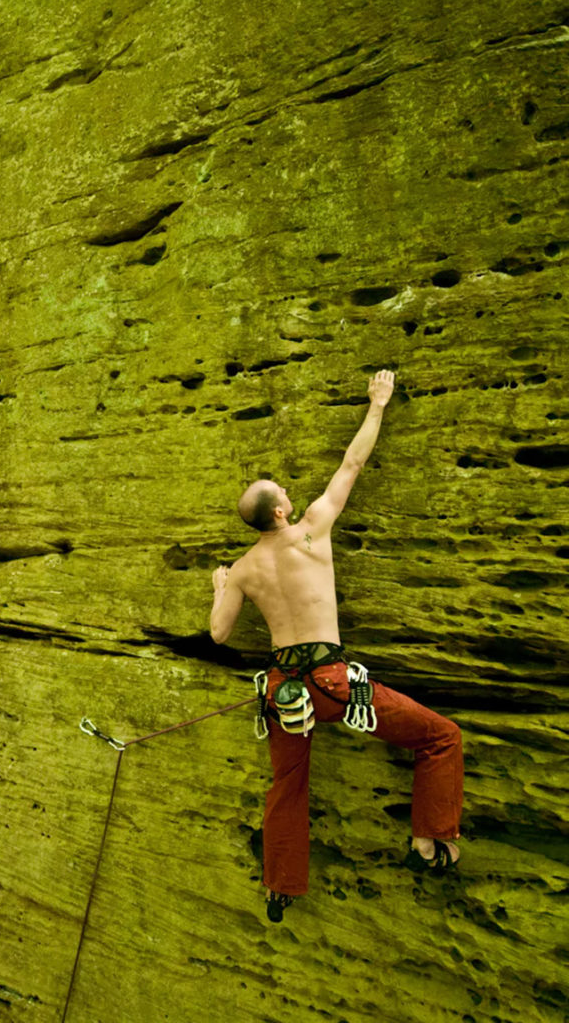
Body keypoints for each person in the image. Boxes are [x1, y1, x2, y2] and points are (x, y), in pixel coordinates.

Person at [209, 370, 463, 923]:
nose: (292, 495)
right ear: (280, 512)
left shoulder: (247, 569)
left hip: (283, 694)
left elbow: (219, 634)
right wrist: (377, 403)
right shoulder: (312, 529)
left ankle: (280, 887)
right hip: (334, 683)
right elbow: (352, 464)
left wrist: (221, 588)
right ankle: (430, 839)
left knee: (288, 785)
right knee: (442, 736)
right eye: (284, 493)